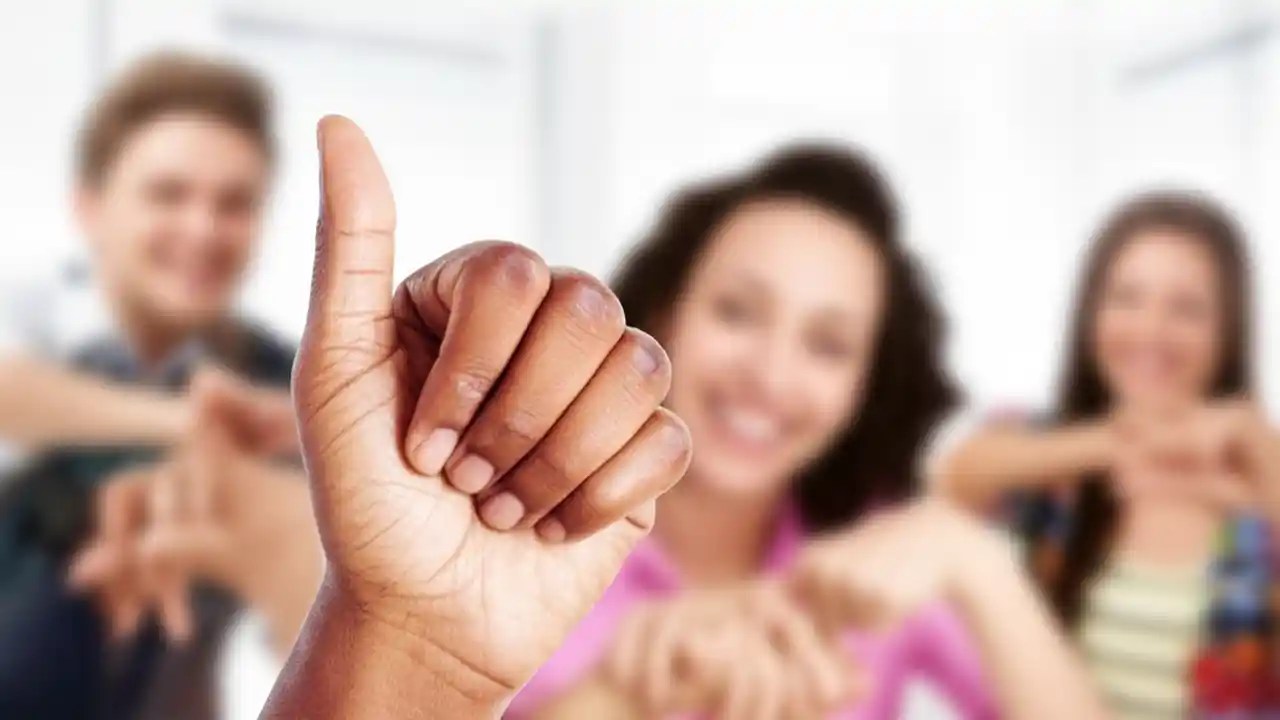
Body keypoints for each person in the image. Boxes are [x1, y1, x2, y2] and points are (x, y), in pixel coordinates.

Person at [468, 145, 1100, 718]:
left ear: (866, 386)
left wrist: (978, 559)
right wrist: (617, 699)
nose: (770, 376)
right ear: (667, 313)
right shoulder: (515, 532)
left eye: (828, 345)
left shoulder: (878, 557)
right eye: (737, 312)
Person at [0, 52, 313, 720]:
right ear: (89, 208)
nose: (202, 230)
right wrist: (178, 421)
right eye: (168, 194)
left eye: (235, 204)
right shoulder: (27, 314)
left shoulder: (275, 378)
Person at [933, 193, 1280, 718]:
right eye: (1126, 298)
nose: (1151, 329)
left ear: (1227, 331)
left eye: (1187, 308)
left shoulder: (1259, 477)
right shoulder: (1051, 458)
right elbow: (954, 477)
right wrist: (1119, 440)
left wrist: (1249, 439)